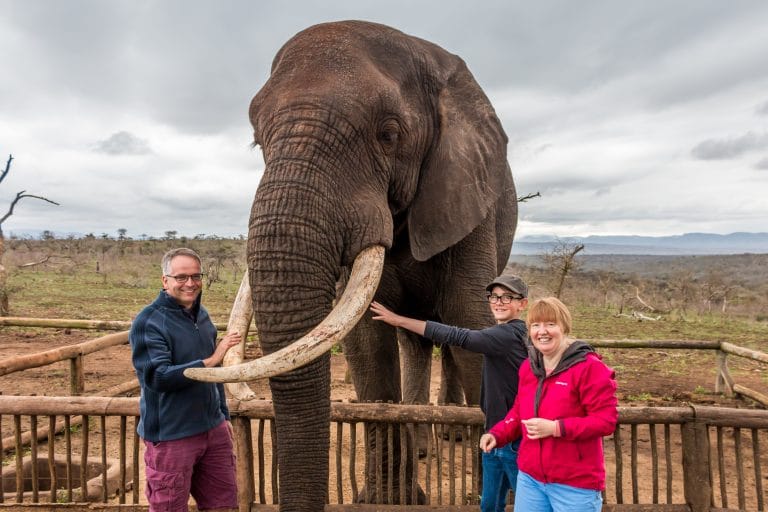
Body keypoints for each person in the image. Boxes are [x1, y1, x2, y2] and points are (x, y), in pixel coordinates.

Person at [370, 273, 530, 512]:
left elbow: (458, 335)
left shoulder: (507, 335)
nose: (499, 302)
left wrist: (400, 321)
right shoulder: (510, 334)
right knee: (490, 504)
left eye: (508, 297)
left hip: (514, 439)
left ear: (522, 304)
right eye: (494, 296)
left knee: (525, 504)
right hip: (496, 435)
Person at [479, 297, 618, 512]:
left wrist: (555, 428)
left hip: (575, 483)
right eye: (535, 325)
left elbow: (605, 421)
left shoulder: (590, 368)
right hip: (530, 478)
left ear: (564, 327)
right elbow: (519, 410)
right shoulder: (529, 367)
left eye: (550, 324)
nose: (542, 331)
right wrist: (498, 433)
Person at [130, 248, 242, 512]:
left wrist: (223, 417)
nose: (190, 283)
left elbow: (215, 378)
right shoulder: (149, 322)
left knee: (223, 504)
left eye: (195, 276)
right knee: (169, 507)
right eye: (180, 277)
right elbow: (157, 376)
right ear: (165, 280)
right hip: (172, 435)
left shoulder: (202, 318)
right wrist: (211, 360)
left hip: (213, 430)